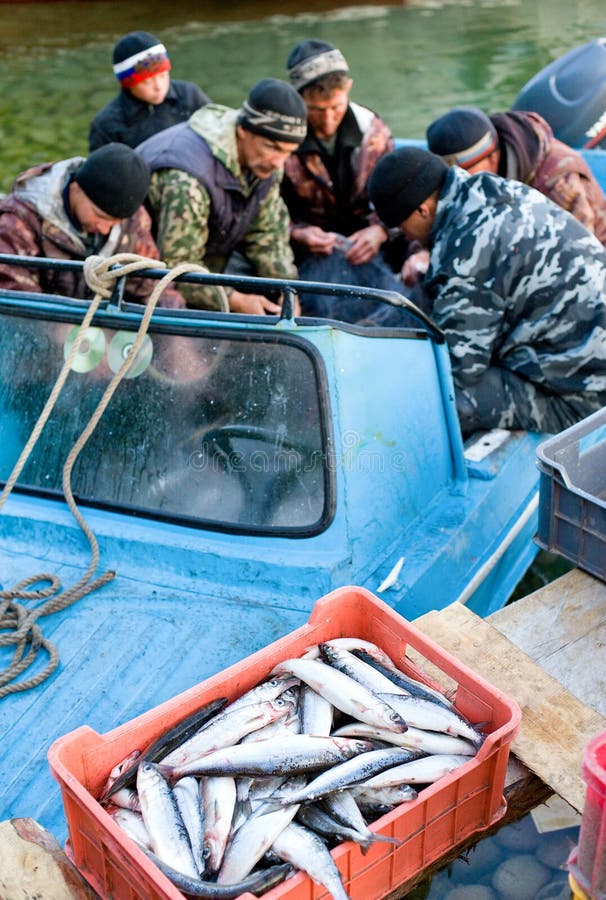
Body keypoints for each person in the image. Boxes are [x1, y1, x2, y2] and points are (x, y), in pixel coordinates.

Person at [368, 146, 606, 435]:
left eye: (402, 228)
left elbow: (457, 372)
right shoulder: (496, 190)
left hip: (588, 402)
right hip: (585, 357)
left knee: (438, 399)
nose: (405, 237)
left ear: (422, 210)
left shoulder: (465, 253)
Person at [137, 78, 308, 314]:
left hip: (211, 256)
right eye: (272, 147)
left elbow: (267, 235)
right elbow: (176, 269)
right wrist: (236, 301)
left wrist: (288, 291)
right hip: (148, 274)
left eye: (289, 152)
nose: (279, 162)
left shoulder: (264, 165)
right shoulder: (187, 181)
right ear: (243, 131)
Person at [282, 39, 406, 323]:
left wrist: (380, 231)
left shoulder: (373, 133)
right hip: (308, 248)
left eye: (336, 108)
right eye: (316, 110)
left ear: (348, 90)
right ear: (299, 99)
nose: (327, 120)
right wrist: (299, 233)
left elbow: (398, 199)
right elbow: (263, 211)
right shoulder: (282, 139)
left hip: (369, 243)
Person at [0, 142, 183, 307]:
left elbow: (152, 285)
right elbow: (17, 300)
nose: (105, 229)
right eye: (99, 215)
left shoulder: (134, 222)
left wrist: (180, 333)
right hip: (40, 334)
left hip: (101, 335)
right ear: (76, 189)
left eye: (116, 222)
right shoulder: (20, 221)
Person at [426, 105, 606, 244]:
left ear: (491, 156)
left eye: (466, 173)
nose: (460, 183)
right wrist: (419, 251)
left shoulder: (559, 183)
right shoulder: (472, 176)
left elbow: (581, 254)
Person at [89, 31, 210, 152]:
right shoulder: (107, 124)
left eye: (163, 75)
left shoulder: (189, 94)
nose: (159, 86)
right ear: (128, 83)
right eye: (147, 81)